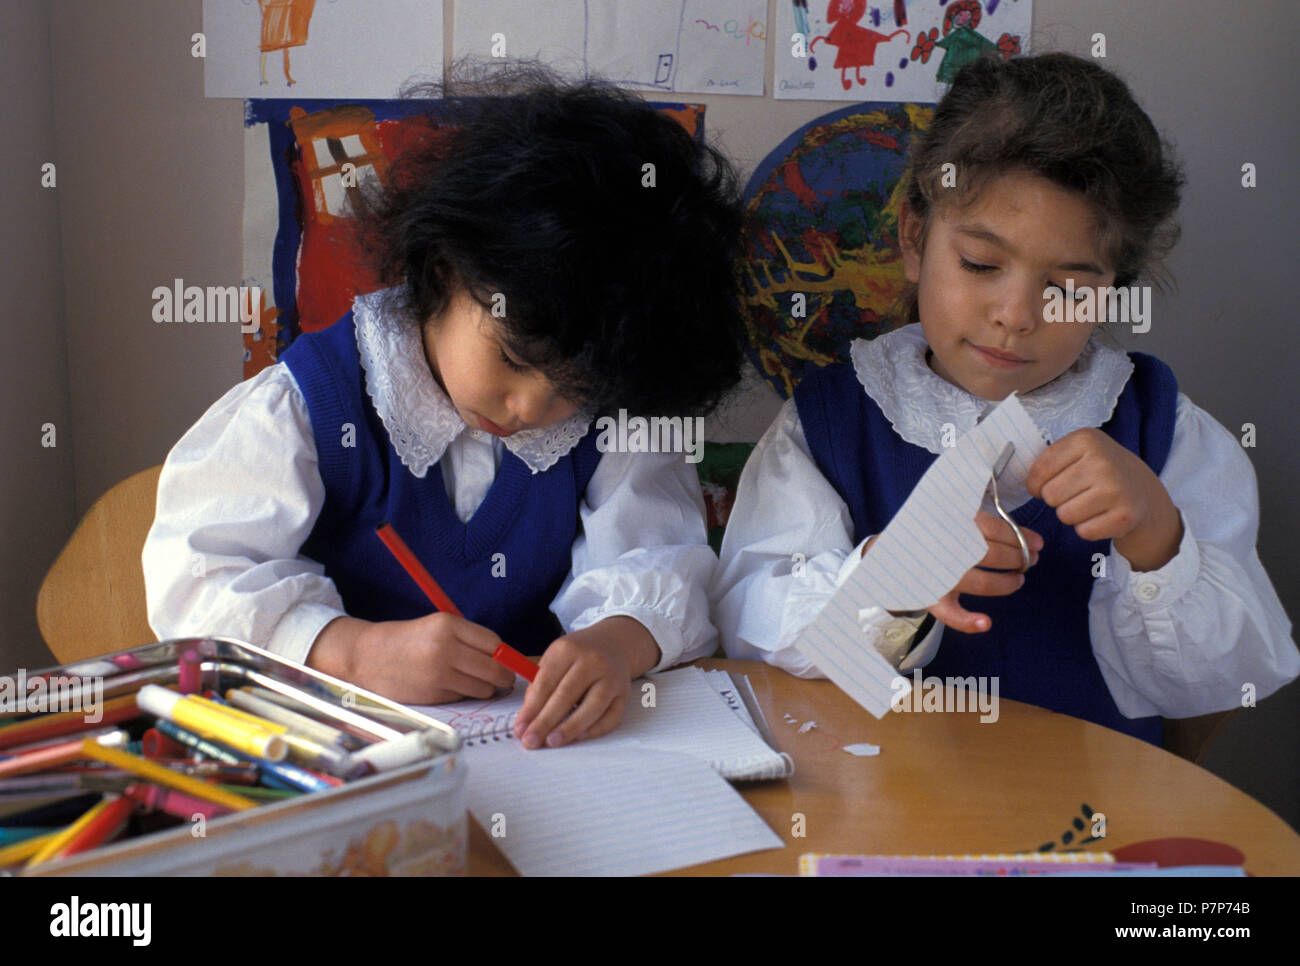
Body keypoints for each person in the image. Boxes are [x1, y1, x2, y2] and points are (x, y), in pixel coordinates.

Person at [145, 67, 748, 750]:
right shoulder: (310, 402)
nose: (532, 406)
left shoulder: (613, 418)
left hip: (536, 761)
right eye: (515, 360)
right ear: (443, 271)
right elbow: (198, 580)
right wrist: (351, 652)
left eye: (576, 388)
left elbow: (661, 559)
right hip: (333, 759)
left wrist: (619, 642)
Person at [713, 52, 1298, 743]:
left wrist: (1157, 539)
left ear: (1113, 286)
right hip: (878, 813)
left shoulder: (1168, 433)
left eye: (1069, 285)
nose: (1017, 315)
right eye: (981, 265)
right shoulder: (830, 422)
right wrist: (890, 583)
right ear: (913, 237)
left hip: (1090, 815)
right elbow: (752, 637)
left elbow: (1225, 682)